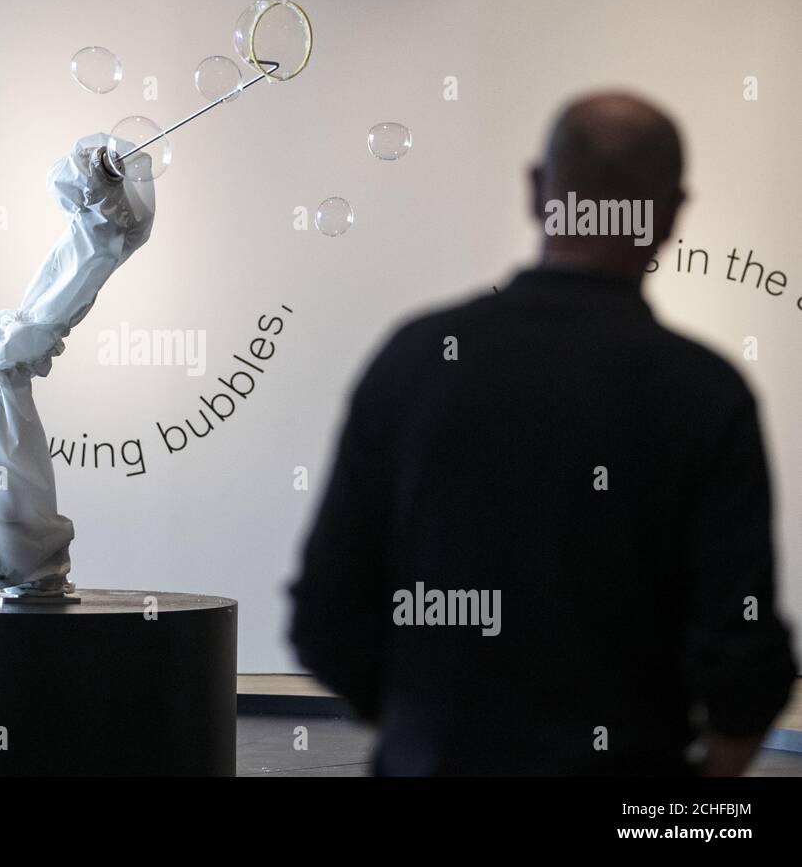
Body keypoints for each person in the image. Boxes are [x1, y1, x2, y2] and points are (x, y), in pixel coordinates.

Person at [289, 92, 796, 776]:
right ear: (673, 213)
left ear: (537, 191)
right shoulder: (705, 392)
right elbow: (743, 652)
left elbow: (325, 613)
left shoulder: (415, 361)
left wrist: (423, 723)